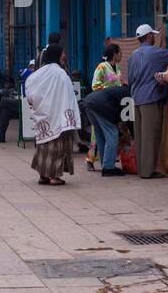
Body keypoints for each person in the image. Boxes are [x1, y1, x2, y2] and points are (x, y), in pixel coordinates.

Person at [126, 24, 168, 179]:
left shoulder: (132, 56)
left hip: (136, 98)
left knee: (140, 135)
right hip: (151, 98)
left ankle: (142, 168)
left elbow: (130, 79)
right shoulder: (157, 53)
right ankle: (148, 171)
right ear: (150, 36)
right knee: (151, 135)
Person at [24, 43, 79, 186]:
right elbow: (68, 96)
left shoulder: (37, 74)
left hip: (43, 116)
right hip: (59, 117)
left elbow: (30, 93)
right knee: (58, 147)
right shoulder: (61, 73)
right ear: (57, 55)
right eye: (62, 53)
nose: (64, 55)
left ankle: (43, 175)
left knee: (44, 146)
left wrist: (40, 106)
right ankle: (54, 176)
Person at [82, 81, 131, 177]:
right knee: (112, 134)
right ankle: (108, 167)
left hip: (88, 103)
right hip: (100, 106)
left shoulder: (119, 90)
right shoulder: (129, 94)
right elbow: (127, 118)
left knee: (100, 135)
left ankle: (105, 164)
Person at [87, 43, 124, 170]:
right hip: (100, 104)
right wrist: (110, 89)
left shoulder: (117, 67)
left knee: (107, 134)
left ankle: (106, 161)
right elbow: (95, 85)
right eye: (120, 52)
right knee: (97, 135)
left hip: (112, 106)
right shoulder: (101, 67)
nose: (122, 55)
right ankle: (91, 159)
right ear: (115, 54)